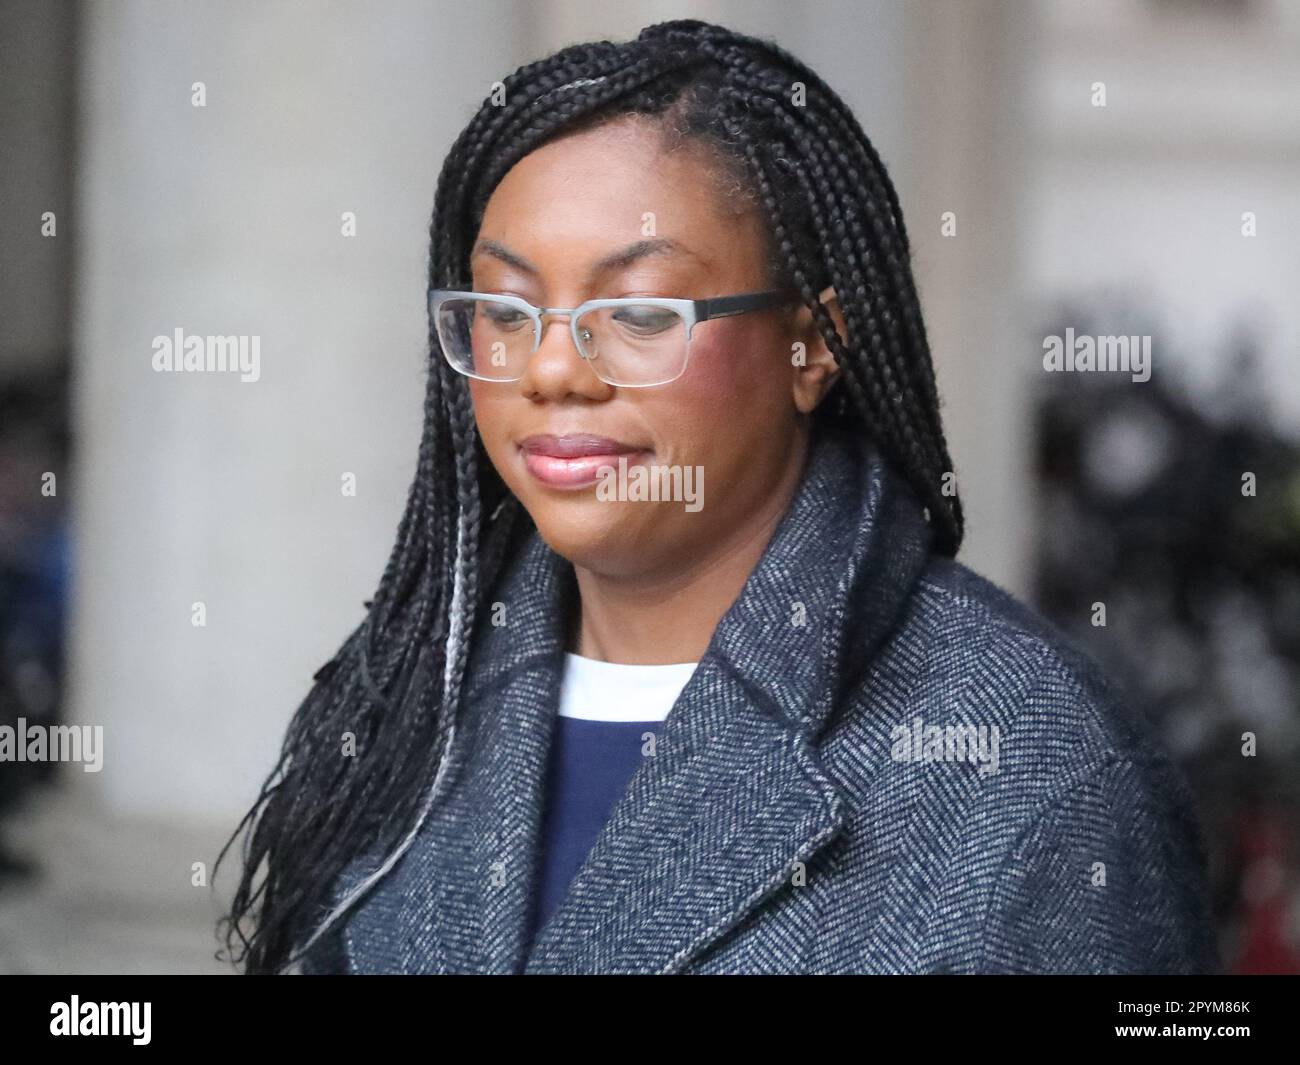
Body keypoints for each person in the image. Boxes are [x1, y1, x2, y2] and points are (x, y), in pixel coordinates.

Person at [216, 18, 1220, 975]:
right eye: (506, 310)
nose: (554, 371)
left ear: (813, 344)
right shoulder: (404, 705)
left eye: (641, 312)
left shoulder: (1033, 767)